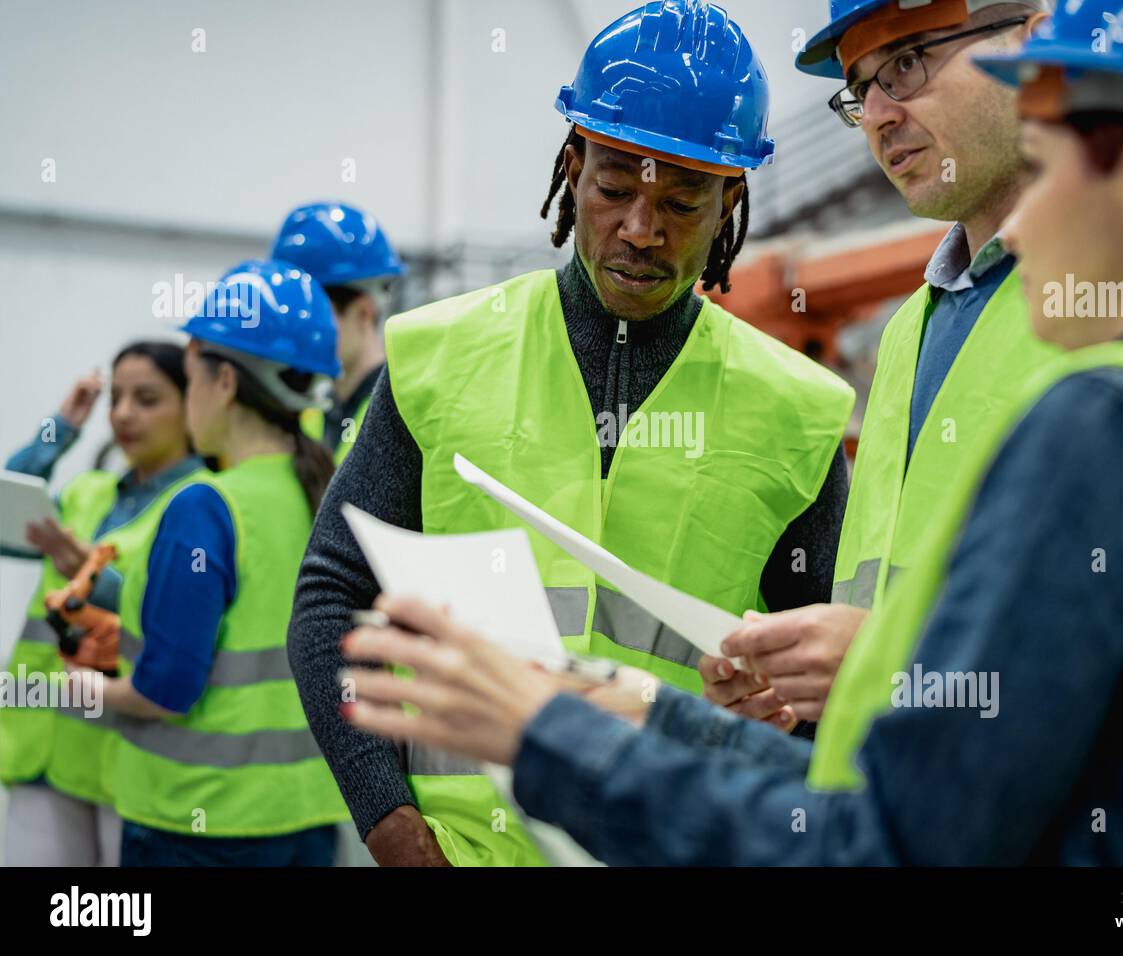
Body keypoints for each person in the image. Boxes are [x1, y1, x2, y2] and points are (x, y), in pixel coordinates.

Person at [337, 0, 1123, 866]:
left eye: (1046, 169)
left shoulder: (1117, 420)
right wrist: (657, 715)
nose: (1027, 228)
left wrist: (552, 738)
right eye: (859, 88)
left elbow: (887, 841)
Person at [288, 0, 855, 867]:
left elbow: (827, 686)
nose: (641, 228)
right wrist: (391, 827)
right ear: (571, 164)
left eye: (683, 198)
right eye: (615, 185)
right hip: (462, 851)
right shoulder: (440, 358)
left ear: (730, 199)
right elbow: (331, 595)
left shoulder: (799, 413)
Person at [698, 0, 1060, 726]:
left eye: (906, 62)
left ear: (1034, 36)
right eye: (859, 90)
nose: (877, 115)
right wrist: (812, 701)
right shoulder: (908, 335)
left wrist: (888, 665)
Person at [93, 260, 350, 866]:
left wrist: (77, 690)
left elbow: (167, 690)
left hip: (194, 828)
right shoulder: (331, 492)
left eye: (188, 378)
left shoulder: (205, 509)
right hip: (309, 820)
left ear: (226, 382)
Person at [1, 342, 206, 866]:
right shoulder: (88, 491)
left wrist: (89, 576)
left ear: (192, 405)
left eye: (147, 398)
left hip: (120, 753)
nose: (123, 415)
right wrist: (61, 426)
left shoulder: (202, 501)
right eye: (117, 398)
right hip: (41, 741)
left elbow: (173, 610)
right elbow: (6, 514)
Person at [271, 202, 406, 463]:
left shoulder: (402, 417)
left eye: (313, 317)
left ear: (363, 313)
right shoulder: (312, 417)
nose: (301, 333)